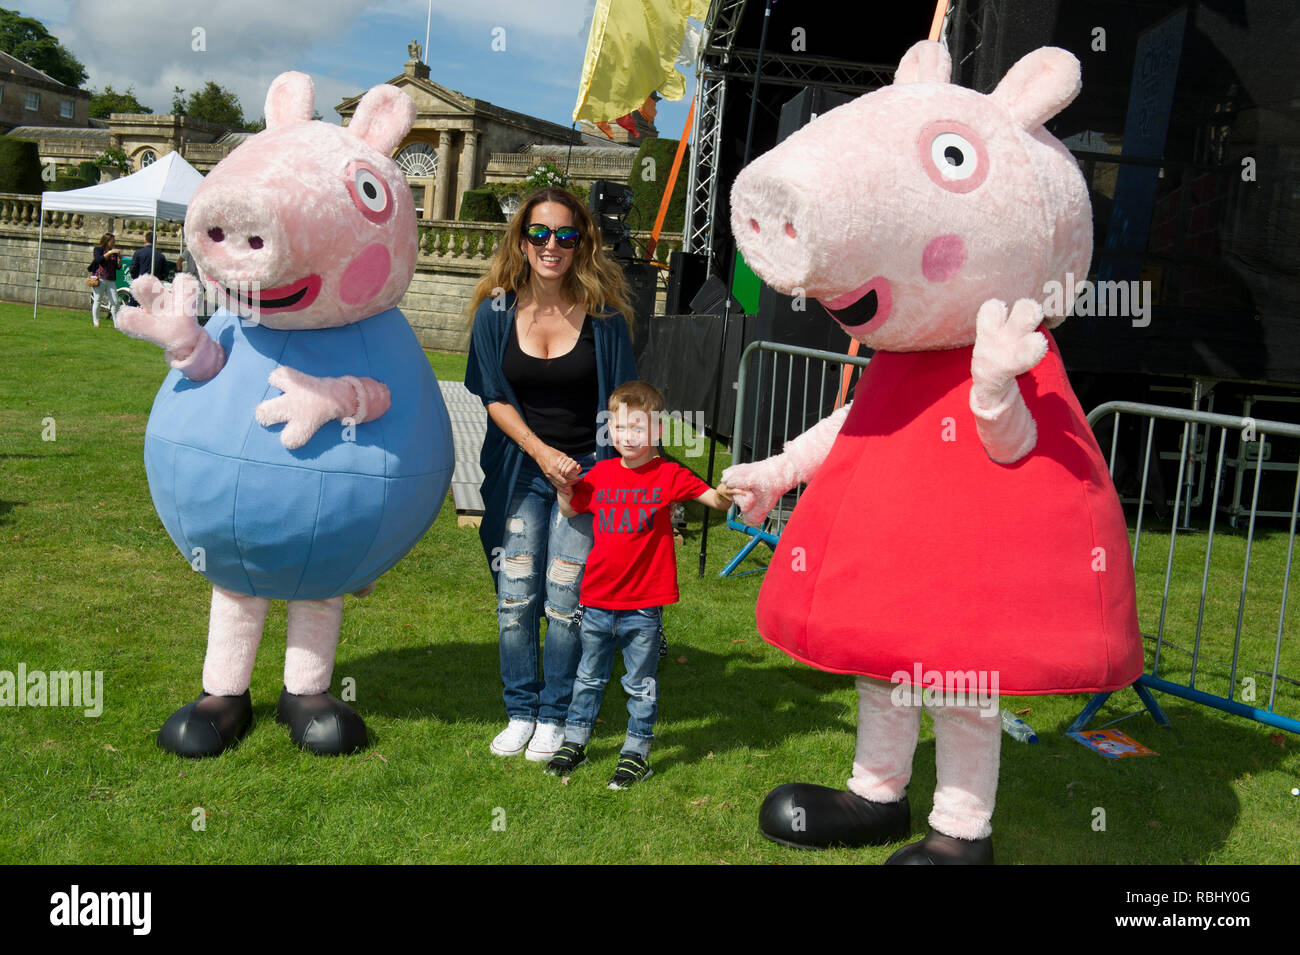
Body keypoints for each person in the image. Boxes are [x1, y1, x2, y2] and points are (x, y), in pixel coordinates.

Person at [464, 187, 637, 763]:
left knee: (566, 599)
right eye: (540, 233)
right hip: (520, 470)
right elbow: (492, 395)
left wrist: (592, 476)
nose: (552, 245)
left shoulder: (607, 319)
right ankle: (520, 709)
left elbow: (623, 404)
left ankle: (556, 715)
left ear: (582, 243)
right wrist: (542, 455)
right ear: (521, 239)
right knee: (516, 597)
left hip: (583, 478)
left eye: (566, 234)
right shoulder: (495, 310)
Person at [546, 381, 733, 788]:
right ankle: (575, 742)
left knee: (639, 683)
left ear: (658, 432)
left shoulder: (668, 475)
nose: (627, 437)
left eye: (637, 428)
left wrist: (731, 488)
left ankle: (636, 752)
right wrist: (563, 488)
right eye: (619, 427)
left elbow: (715, 500)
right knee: (588, 677)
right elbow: (570, 507)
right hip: (596, 601)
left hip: (644, 606)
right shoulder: (599, 474)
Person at [87, 232, 121, 328]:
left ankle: (116, 324)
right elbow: (98, 260)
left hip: (111, 279)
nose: (113, 243)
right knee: (98, 300)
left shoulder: (113, 252)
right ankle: (96, 322)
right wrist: (109, 253)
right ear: (107, 241)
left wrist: (119, 262)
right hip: (100, 278)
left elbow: (117, 267)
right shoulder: (98, 249)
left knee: (115, 302)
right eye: (112, 241)